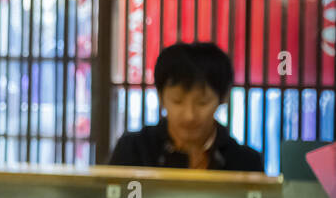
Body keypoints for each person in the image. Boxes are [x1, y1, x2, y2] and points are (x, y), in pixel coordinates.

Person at [108, 42, 264, 172]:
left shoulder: (246, 162)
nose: (189, 115)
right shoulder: (134, 150)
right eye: (177, 101)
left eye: (202, 102)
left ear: (223, 98)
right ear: (161, 98)